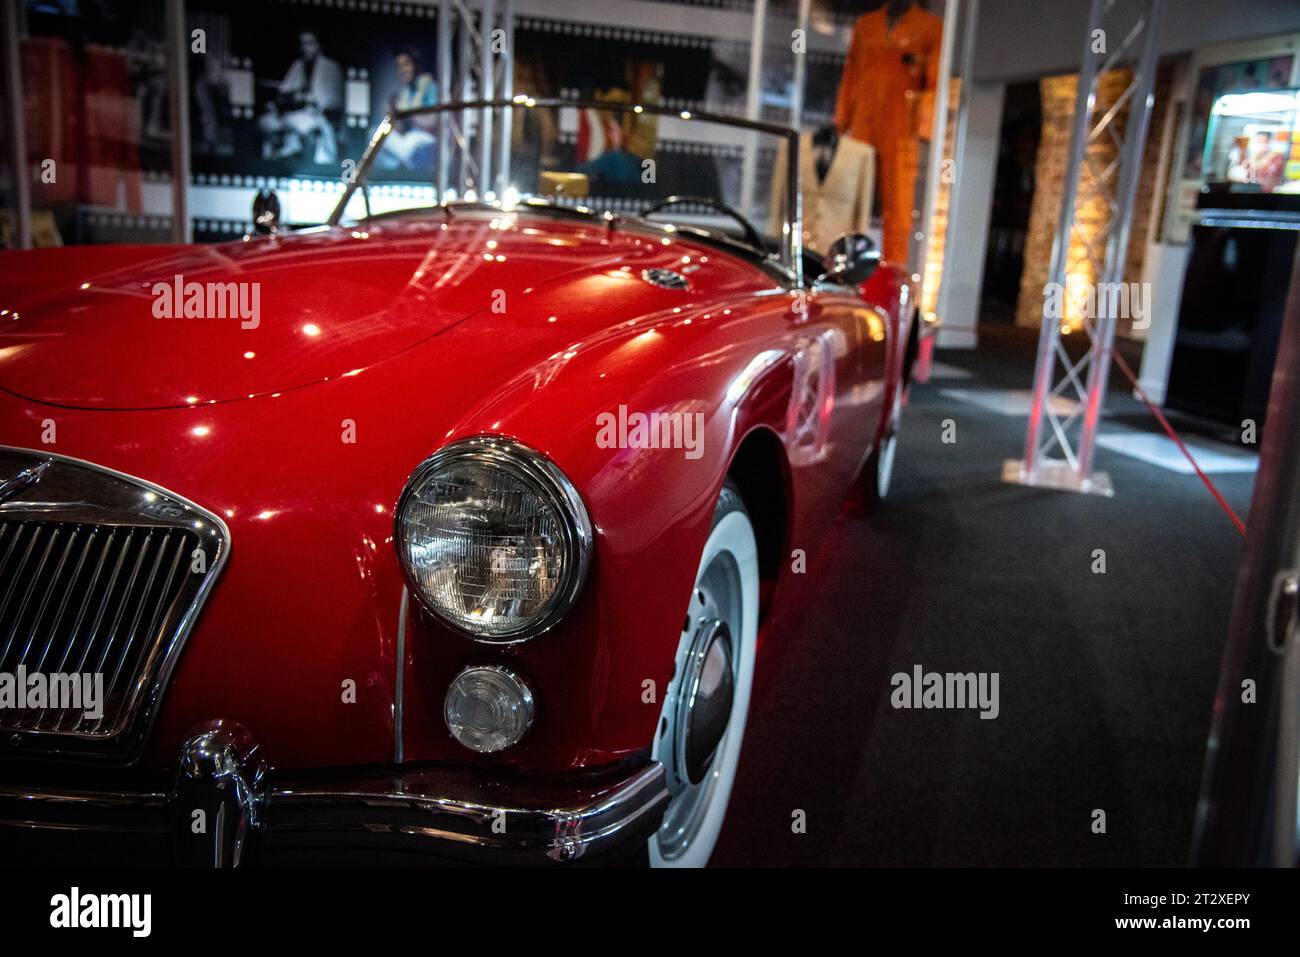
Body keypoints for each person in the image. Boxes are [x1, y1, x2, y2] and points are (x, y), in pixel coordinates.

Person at [259, 31, 344, 164]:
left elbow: (334, 102)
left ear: (318, 45)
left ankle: (293, 149)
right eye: (303, 44)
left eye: (310, 43)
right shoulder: (297, 66)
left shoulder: (331, 67)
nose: (305, 48)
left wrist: (313, 103)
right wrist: (294, 97)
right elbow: (284, 92)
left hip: (317, 117)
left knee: (300, 124)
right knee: (266, 122)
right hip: (293, 113)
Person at [377, 49, 438, 171]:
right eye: (398, 66)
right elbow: (400, 129)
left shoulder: (429, 86)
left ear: (415, 65)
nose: (402, 70)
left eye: (406, 64)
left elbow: (434, 121)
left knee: (410, 143)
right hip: (407, 139)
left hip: (425, 140)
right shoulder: (404, 93)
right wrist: (393, 116)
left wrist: (410, 115)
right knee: (375, 134)